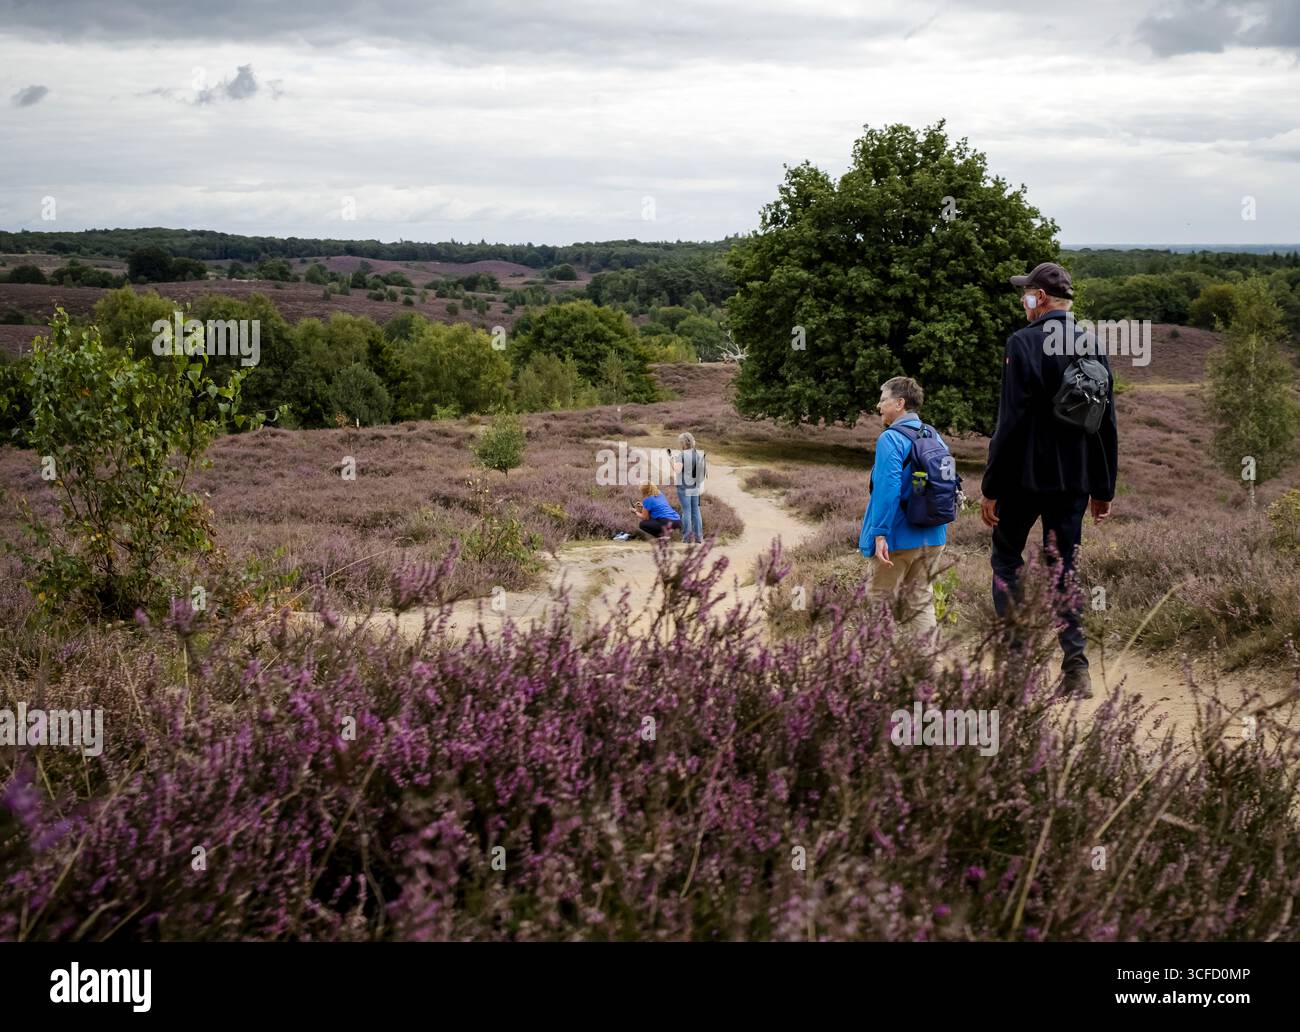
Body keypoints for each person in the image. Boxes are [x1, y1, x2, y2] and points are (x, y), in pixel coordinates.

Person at [979, 261, 1118, 700]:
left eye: (1026, 294)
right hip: (1073, 482)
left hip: (1023, 479)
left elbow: (1011, 422)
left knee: (1006, 562)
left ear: (1039, 298)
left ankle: (1017, 670)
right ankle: (1076, 671)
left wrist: (990, 486)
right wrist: (1103, 488)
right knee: (1064, 571)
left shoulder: (1021, 343)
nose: (1023, 301)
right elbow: (1105, 423)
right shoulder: (1093, 344)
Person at [859, 376, 948, 634]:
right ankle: (926, 667)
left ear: (899, 403)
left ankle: (879, 667)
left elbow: (887, 490)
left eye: (883, 399)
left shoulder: (890, 439)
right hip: (933, 536)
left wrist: (880, 534)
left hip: (898, 538)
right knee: (920, 601)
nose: (878, 405)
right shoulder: (934, 434)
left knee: (879, 601)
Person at [672, 432, 707, 544]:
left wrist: (672, 461)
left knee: (686, 511)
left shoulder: (681, 455)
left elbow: (677, 470)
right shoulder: (697, 454)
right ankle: (699, 538)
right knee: (696, 511)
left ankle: (686, 538)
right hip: (695, 486)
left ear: (683, 443)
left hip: (683, 487)